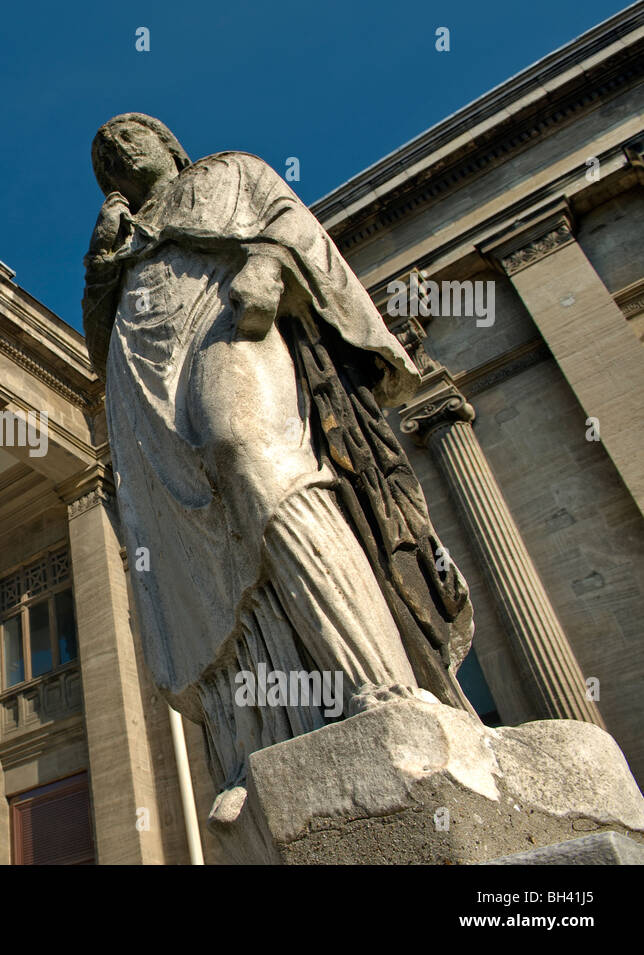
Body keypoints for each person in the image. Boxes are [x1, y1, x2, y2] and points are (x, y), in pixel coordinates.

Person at [82, 113, 475, 793]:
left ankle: (377, 681)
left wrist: (267, 264)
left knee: (252, 454)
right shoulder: (121, 245)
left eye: (129, 136)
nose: (118, 152)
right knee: (191, 564)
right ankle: (259, 748)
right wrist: (100, 270)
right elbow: (96, 349)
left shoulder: (229, 172)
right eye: (105, 157)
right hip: (146, 385)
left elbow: (294, 228)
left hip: (227, 320)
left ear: (170, 143)